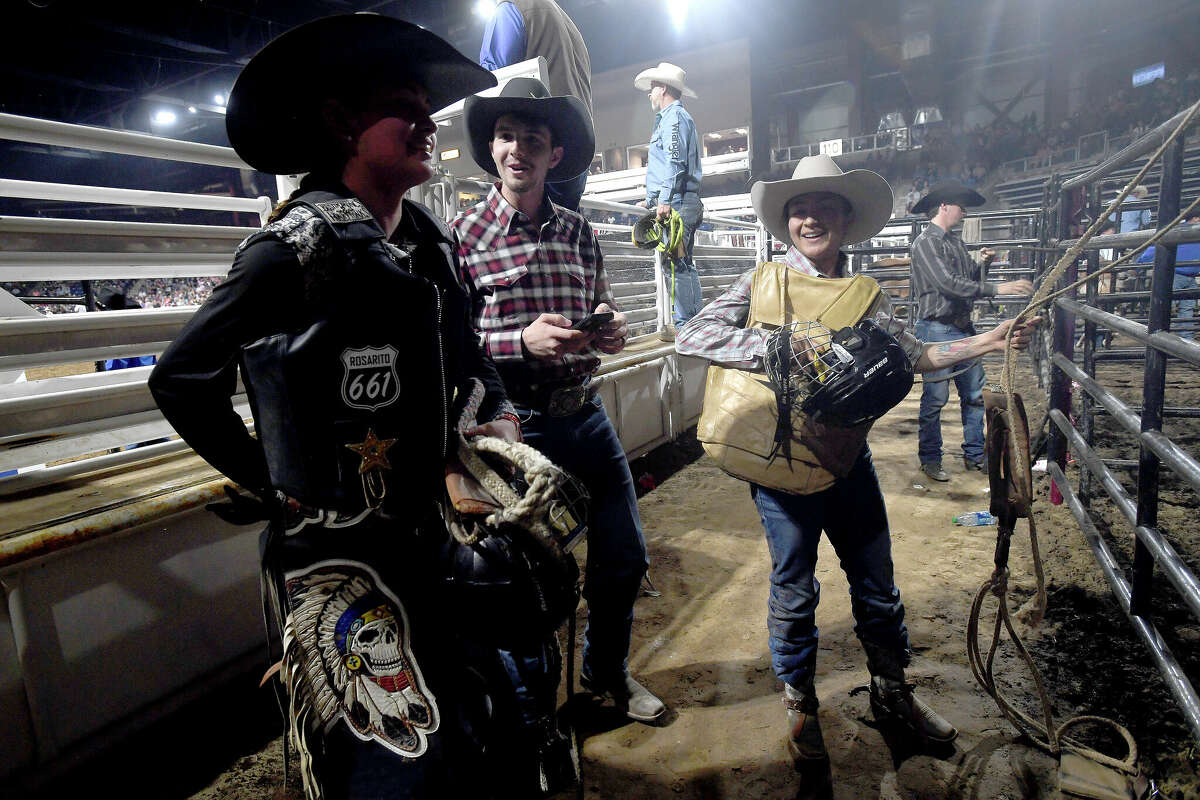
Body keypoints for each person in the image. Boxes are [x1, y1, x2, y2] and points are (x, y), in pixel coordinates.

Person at [147, 15, 539, 799]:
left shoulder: (427, 243)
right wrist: (271, 479)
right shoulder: (289, 250)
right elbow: (181, 378)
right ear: (339, 124)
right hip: (335, 566)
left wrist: (496, 422)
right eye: (404, 107)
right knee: (385, 762)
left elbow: (470, 359)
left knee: (483, 732)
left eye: (427, 107)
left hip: (429, 534)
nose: (427, 122)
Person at [676, 155, 1041, 764]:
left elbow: (917, 354)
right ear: (786, 222)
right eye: (800, 209)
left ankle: (892, 691)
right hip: (781, 465)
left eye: (824, 207)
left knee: (876, 583)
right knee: (795, 587)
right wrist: (778, 344)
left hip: (846, 459)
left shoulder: (867, 296)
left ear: (845, 220)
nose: (810, 218)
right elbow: (693, 334)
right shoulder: (762, 280)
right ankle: (800, 701)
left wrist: (990, 339)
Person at [452, 77, 667, 725]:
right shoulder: (461, 238)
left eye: (533, 140)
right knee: (522, 575)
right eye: (507, 136)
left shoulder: (577, 231)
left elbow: (601, 301)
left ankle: (605, 670)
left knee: (623, 554)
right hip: (514, 425)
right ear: (492, 149)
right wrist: (519, 341)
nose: (519, 149)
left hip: (585, 412)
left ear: (555, 155)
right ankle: (530, 712)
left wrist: (610, 324)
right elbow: (450, 343)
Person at [909, 181, 1033, 482]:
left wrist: (983, 265)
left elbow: (966, 280)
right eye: (960, 206)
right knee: (936, 399)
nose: (964, 212)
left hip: (959, 327)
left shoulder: (954, 242)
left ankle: (974, 454)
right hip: (938, 328)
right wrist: (998, 288)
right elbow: (947, 284)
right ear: (944, 206)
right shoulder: (925, 243)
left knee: (974, 396)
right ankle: (931, 458)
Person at [479, 0, 593, 211]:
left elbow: (493, 81)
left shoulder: (511, 9)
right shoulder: (567, 24)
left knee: (526, 225)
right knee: (564, 225)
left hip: (535, 148)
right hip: (572, 155)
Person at [634, 61, 704, 333]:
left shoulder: (673, 118)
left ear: (662, 88)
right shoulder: (675, 118)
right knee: (682, 264)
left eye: (652, 88)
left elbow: (675, 162)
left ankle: (686, 327)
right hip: (679, 200)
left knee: (675, 265)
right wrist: (653, 199)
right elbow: (671, 163)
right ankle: (692, 324)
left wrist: (662, 200)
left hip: (677, 202)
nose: (649, 94)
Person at [1135, 213, 1200, 340]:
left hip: (1180, 275)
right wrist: (1139, 265)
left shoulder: (1177, 230)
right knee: (1176, 308)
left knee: (1177, 307)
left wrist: (1139, 266)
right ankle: (1164, 337)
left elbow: (1153, 249)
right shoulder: (1181, 231)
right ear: (1195, 218)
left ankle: (1179, 338)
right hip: (1177, 275)